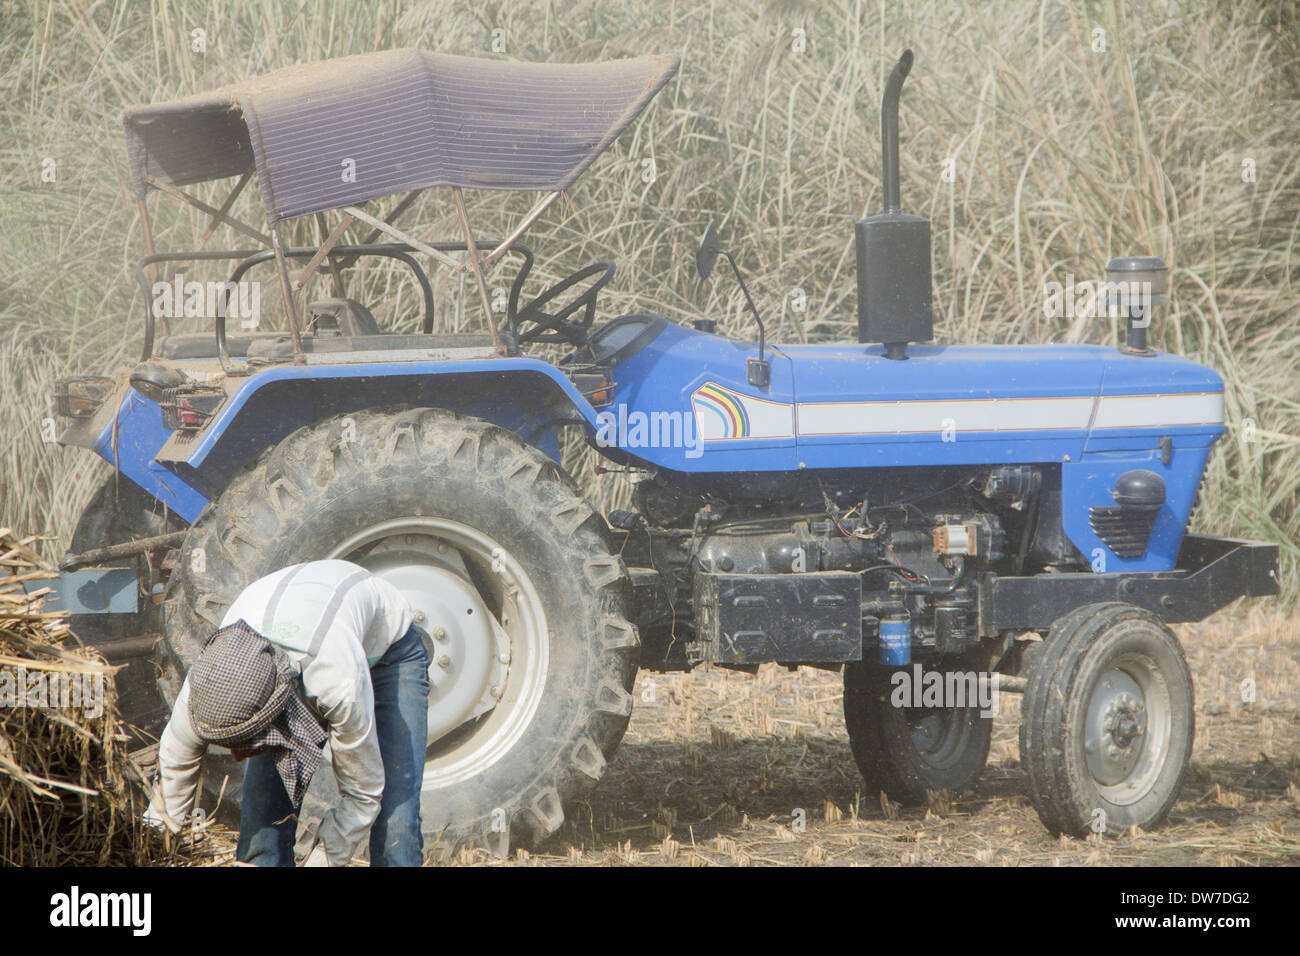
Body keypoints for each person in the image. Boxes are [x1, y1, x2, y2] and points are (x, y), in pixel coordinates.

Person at [147, 559, 430, 866]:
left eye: (246, 743)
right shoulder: (207, 680)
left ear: (276, 709)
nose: (240, 757)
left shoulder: (336, 681)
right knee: (263, 817)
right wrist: (153, 845)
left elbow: (363, 795)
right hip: (303, 629)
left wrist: (321, 861)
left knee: (395, 816)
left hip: (388, 649)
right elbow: (175, 769)